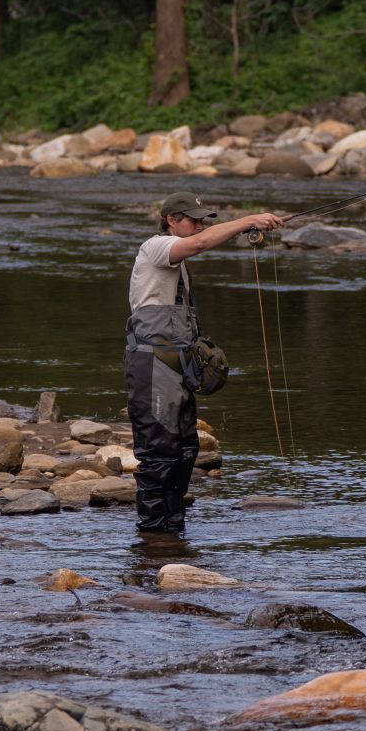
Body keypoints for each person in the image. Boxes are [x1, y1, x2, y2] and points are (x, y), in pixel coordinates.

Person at [125, 192, 285, 535]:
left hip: (175, 368)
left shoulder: (177, 264)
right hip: (152, 365)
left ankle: (172, 531)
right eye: (193, 220)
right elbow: (198, 245)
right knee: (159, 452)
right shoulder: (155, 247)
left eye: (202, 221)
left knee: (185, 449)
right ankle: (153, 537)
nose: (199, 226)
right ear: (171, 219)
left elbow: (198, 242)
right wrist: (246, 221)